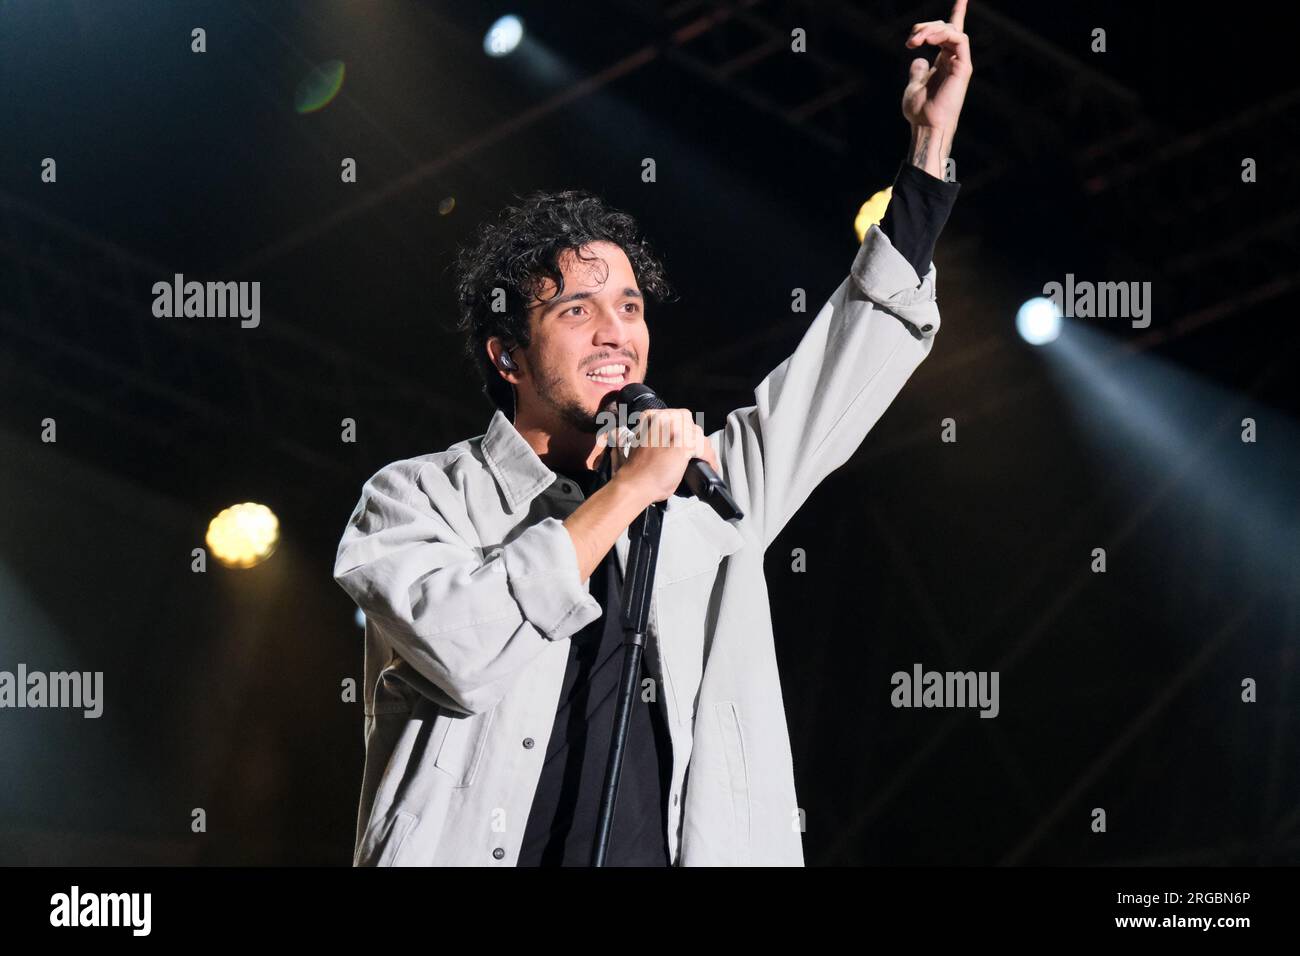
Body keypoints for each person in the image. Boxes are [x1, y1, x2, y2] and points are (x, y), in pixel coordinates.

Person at [334, 0, 972, 866]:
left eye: (629, 307)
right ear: (508, 356)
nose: (615, 332)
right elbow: (459, 649)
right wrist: (630, 490)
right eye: (576, 309)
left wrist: (926, 162)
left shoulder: (706, 489)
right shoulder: (417, 497)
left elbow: (840, 371)